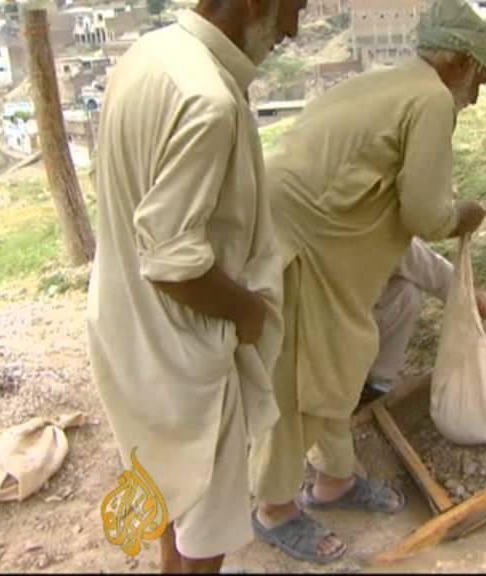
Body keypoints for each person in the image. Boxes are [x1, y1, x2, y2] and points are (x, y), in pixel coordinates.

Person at [248, 0, 486, 564]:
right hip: (298, 249)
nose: (476, 96)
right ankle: (275, 509)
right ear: (459, 62)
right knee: (293, 382)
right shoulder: (432, 98)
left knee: (334, 363)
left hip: (308, 242)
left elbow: (383, 206)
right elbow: (423, 215)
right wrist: (464, 215)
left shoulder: (383, 84)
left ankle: (334, 480)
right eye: (479, 78)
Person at [86, 0, 304, 572]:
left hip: (126, 325)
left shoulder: (150, 55)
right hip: (189, 347)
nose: (294, 29)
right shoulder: (207, 98)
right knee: (206, 523)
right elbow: (173, 261)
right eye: (293, 8)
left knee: (167, 485)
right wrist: (250, 312)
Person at [362, 238, 486, 405]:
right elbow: (439, 274)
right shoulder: (377, 235)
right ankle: (349, 389)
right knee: (406, 293)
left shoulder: (364, 222)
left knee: (404, 293)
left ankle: (374, 387)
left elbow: (436, 272)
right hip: (338, 339)